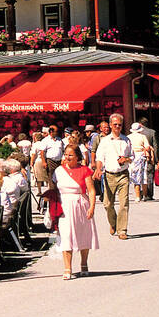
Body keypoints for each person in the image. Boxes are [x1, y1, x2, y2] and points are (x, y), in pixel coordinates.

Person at [54, 145, 98, 279]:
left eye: (70, 155)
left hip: (80, 204)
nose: (67, 157)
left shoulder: (85, 170)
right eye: (66, 154)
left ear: (77, 157)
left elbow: (91, 190)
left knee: (83, 234)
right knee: (66, 235)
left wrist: (92, 207)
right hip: (64, 205)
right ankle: (67, 268)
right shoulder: (58, 170)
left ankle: (84, 264)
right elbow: (53, 189)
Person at [94, 113, 133, 239]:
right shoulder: (105, 141)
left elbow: (132, 157)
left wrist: (125, 159)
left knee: (124, 203)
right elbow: (100, 157)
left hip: (123, 175)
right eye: (115, 124)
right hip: (109, 175)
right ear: (110, 125)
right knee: (107, 204)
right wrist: (98, 169)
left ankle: (122, 230)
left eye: (120, 125)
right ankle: (113, 222)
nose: (117, 127)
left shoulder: (126, 140)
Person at [129, 123, 153, 202]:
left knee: (135, 176)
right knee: (143, 176)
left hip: (132, 156)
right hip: (141, 155)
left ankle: (137, 196)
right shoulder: (143, 137)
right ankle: (145, 195)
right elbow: (147, 147)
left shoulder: (128, 137)